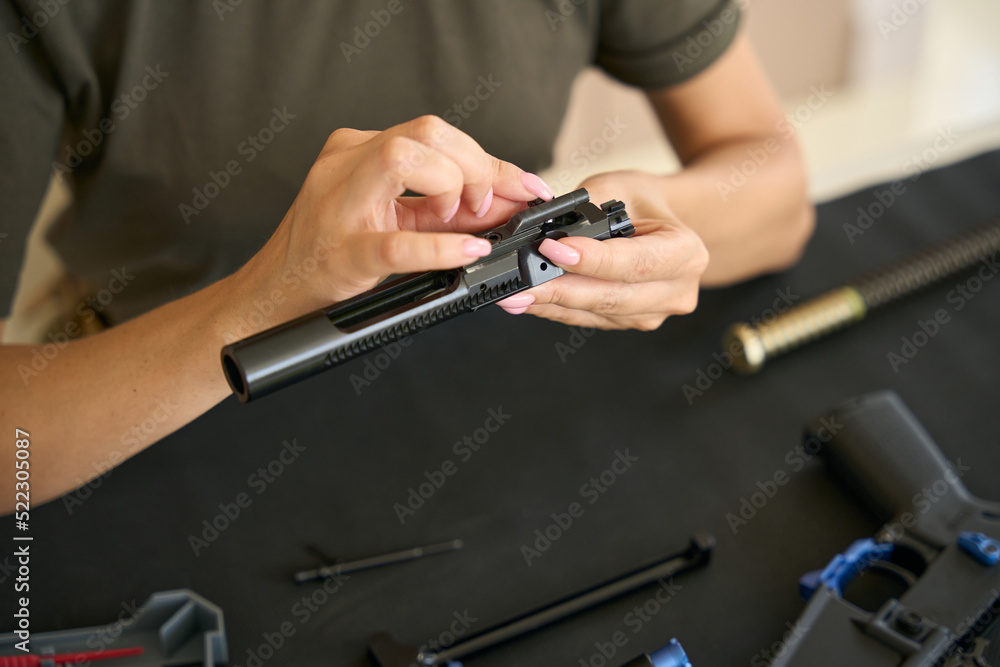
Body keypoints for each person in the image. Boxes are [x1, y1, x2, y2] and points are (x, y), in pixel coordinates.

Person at [0, 0, 813, 511]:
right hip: (152, 406)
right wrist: (257, 303)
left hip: (469, 378)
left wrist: (645, 221)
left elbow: (774, 192)